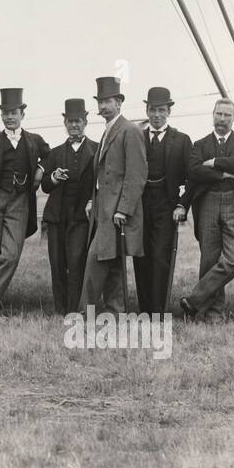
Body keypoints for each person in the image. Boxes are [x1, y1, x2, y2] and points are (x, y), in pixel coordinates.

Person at [0, 88, 50, 314]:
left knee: (10, 255)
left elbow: (51, 156)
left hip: (20, 201)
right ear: (1, 115)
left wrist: (41, 169)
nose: (9, 117)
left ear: (22, 114)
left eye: (13, 113)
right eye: (5, 113)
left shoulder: (34, 141)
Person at [180, 99, 234, 323]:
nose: (222, 119)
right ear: (213, 115)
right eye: (219, 114)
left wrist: (213, 162)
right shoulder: (200, 144)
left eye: (227, 115)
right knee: (209, 258)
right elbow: (193, 171)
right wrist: (223, 174)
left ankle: (194, 300)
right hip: (207, 201)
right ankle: (213, 314)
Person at [78, 76, 148, 314]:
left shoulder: (130, 130)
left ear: (119, 102)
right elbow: (101, 173)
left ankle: (83, 312)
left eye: (108, 101)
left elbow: (137, 174)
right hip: (103, 208)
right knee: (113, 260)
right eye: (100, 102)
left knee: (96, 258)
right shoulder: (108, 130)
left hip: (116, 210)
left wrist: (123, 209)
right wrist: (93, 200)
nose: (103, 106)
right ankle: (115, 311)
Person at [132, 87, 192, 315]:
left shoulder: (182, 140)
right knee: (141, 256)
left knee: (160, 256)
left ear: (169, 111)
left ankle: (158, 309)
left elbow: (191, 177)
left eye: (161, 110)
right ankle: (144, 309)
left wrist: (182, 204)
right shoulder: (136, 137)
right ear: (147, 111)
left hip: (166, 205)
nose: (157, 115)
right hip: (140, 204)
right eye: (153, 110)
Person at [40, 98, 97, 317]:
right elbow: (45, 185)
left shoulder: (96, 150)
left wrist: (92, 201)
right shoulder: (54, 153)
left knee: (76, 261)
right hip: (57, 215)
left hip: (81, 216)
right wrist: (54, 177)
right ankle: (60, 308)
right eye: (70, 121)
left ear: (85, 122)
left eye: (78, 121)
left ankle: (74, 309)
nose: (74, 125)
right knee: (57, 263)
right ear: (65, 123)